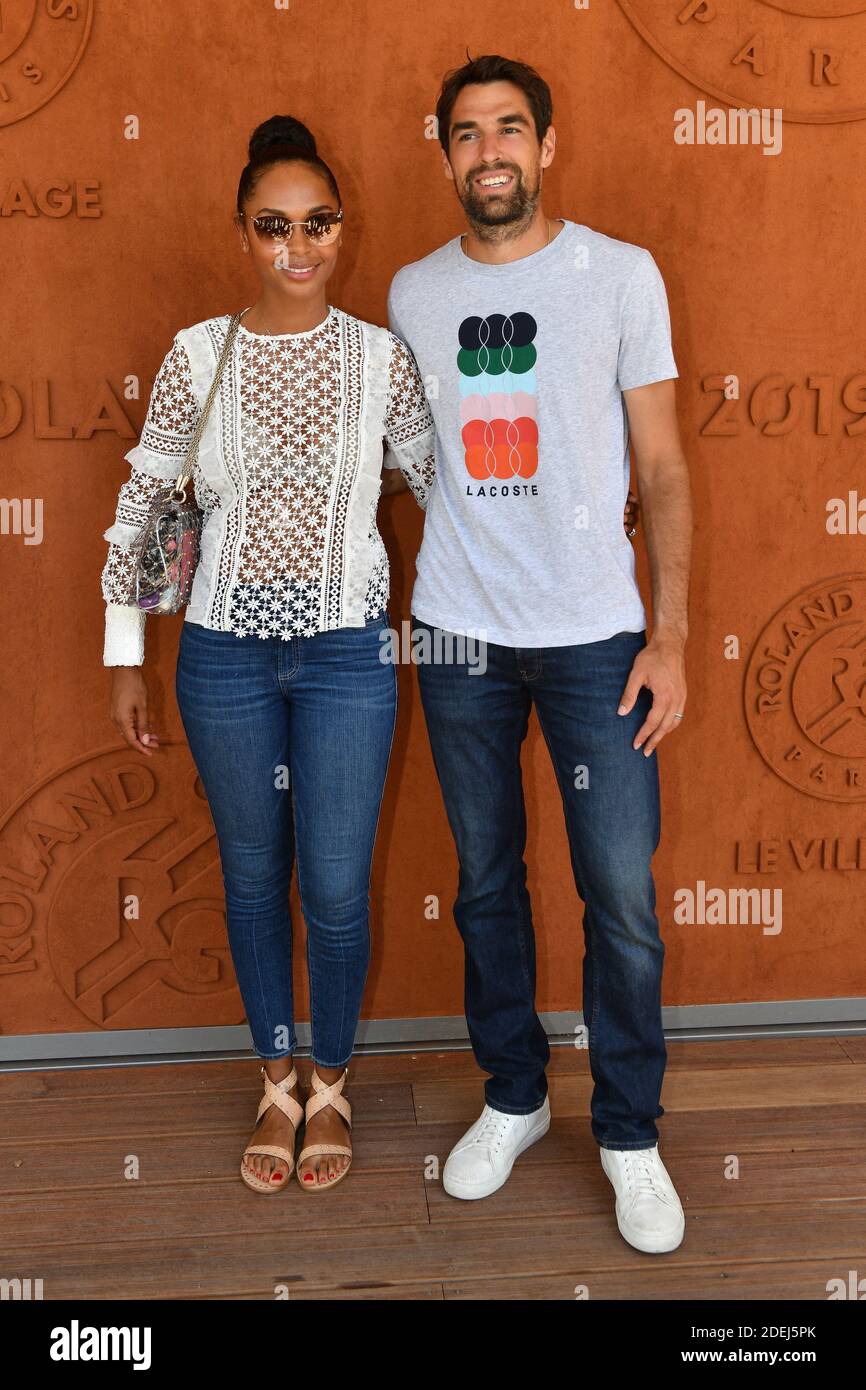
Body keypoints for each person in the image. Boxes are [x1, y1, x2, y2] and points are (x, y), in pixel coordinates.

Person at [385, 54, 692, 1254]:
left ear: (546, 144)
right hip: (458, 629)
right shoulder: (411, 292)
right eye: (467, 134)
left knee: (618, 895)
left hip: (596, 637)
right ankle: (510, 1094)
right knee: (482, 881)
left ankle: (628, 1132)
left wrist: (667, 632)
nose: (490, 152)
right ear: (443, 149)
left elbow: (660, 464)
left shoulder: (618, 275)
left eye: (511, 129)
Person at [100, 115, 438, 1194]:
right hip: (222, 661)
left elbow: (444, 492)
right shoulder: (199, 354)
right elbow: (148, 501)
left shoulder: (382, 359)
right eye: (274, 225)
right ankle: (274, 1078)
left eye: (318, 222)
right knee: (253, 878)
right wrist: (124, 653)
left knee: (335, 886)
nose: (299, 245)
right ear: (242, 233)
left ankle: (329, 1082)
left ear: (343, 228)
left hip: (345, 656)